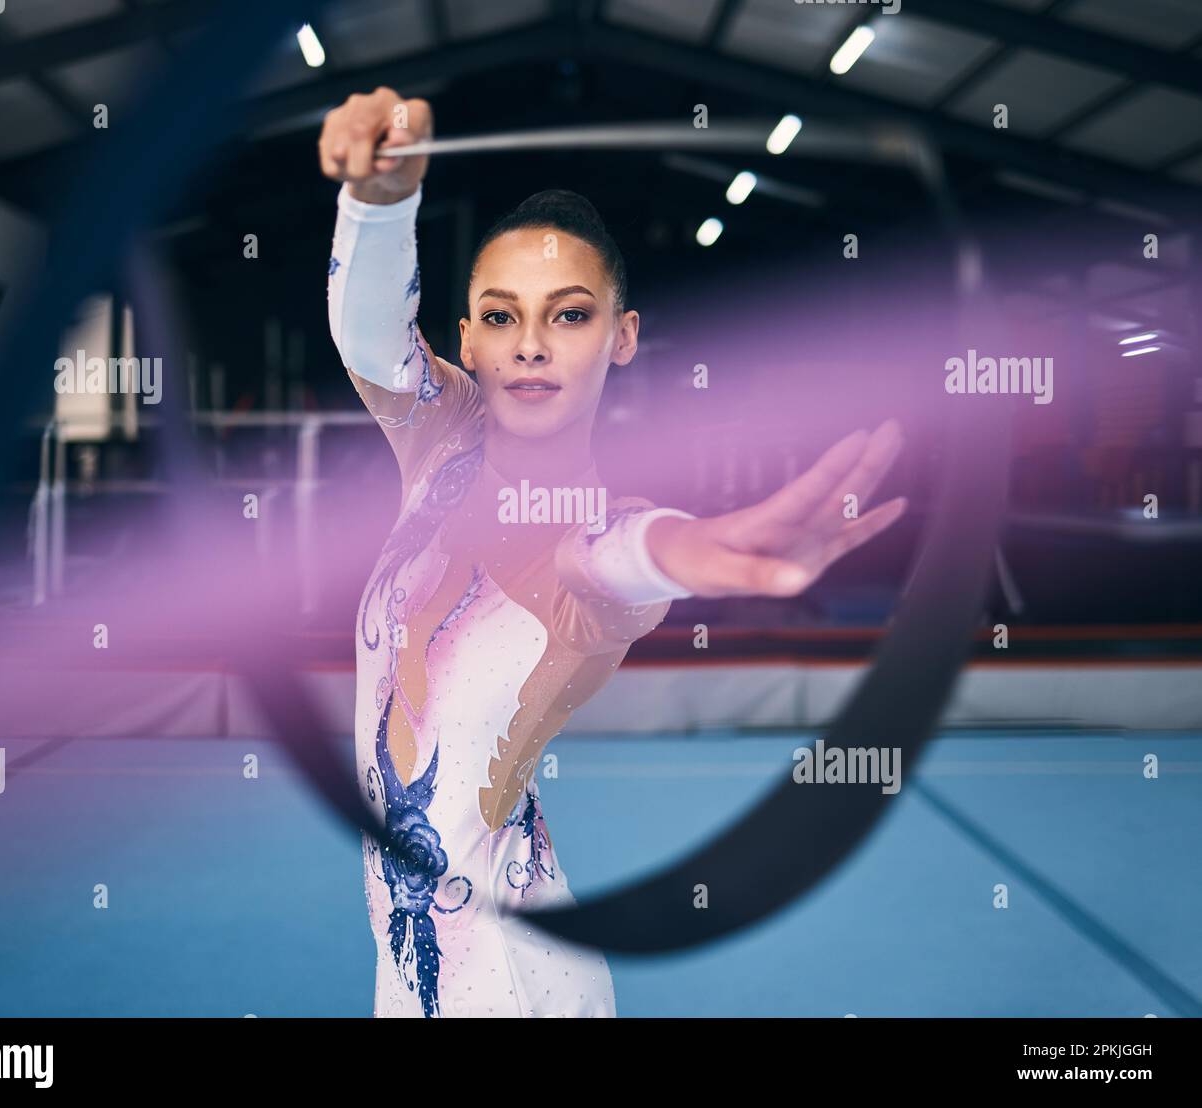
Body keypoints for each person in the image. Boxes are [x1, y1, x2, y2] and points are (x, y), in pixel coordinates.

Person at [319, 87, 907, 1018]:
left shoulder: (590, 531)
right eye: (501, 317)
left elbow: (624, 554)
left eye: (570, 315)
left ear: (622, 336)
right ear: (467, 338)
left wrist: (698, 549)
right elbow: (368, 335)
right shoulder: (443, 441)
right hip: (418, 973)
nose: (530, 347)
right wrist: (379, 204)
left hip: (512, 991)